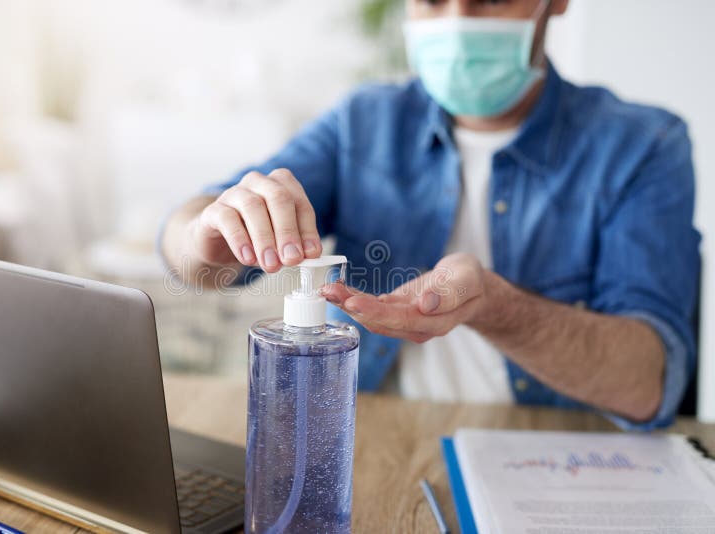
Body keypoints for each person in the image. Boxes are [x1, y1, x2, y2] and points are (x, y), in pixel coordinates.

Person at [160, 0, 700, 430]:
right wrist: (206, 238)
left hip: (549, 459)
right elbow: (191, 251)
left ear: (555, 2)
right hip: (371, 437)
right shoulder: (363, 124)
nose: (458, 23)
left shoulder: (643, 146)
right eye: (432, 0)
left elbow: (648, 382)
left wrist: (494, 305)